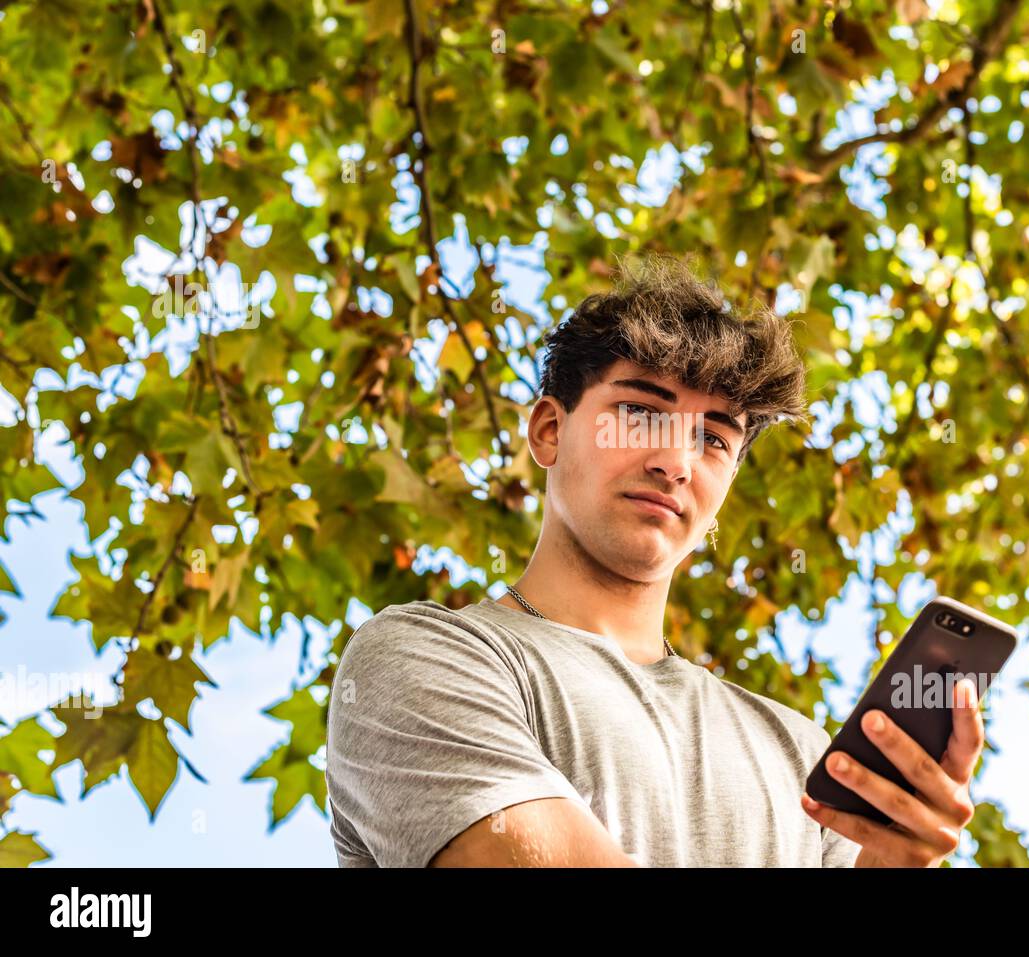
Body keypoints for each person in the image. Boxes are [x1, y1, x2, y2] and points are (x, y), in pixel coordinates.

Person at [324, 253, 982, 866]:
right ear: (549, 430)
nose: (675, 461)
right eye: (639, 412)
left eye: (714, 439)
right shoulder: (423, 658)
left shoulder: (804, 756)